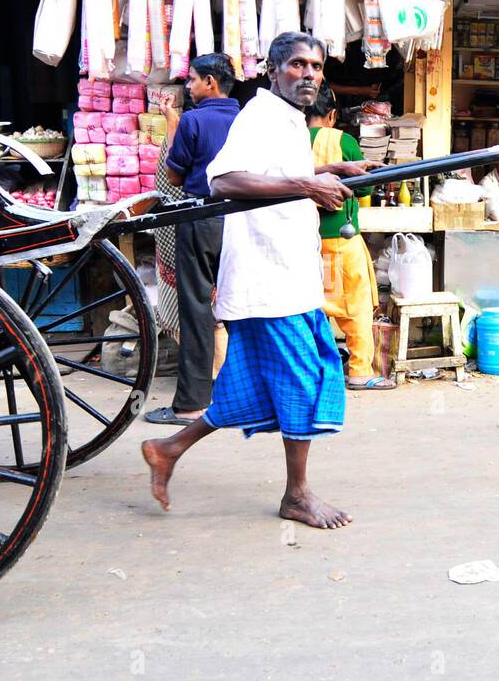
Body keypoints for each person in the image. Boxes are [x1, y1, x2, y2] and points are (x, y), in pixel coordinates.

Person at [141, 32, 367, 529]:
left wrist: (326, 170)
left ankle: (168, 447)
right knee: (306, 377)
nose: (310, 74)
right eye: (298, 65)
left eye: (317, 66)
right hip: (268, 280)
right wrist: (308, 183)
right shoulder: (260, 116)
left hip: (289, 275)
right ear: (272, 70)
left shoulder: (288, 120)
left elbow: (273, 176)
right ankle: (297, 495)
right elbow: (224, 180)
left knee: (251, 389)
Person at [143, 53, 241, 426]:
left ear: (211, 83)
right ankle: (246, 394)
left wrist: (173, 128)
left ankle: (191, 405)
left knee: (197, 311)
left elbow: (176, 176)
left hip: (201, 219)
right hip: (241, 219)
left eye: (194, 80)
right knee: (243, 307)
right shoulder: (246, 119)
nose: (189, 86)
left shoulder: (194, 121)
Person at [306, 86, 392, 390]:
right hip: (343, 241)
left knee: (311, 306)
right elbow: (366, 188)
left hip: (305, 242)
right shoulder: (344, 141)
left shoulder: (292, 141)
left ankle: (314, 369)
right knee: (355, 305)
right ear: (331, 115)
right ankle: (359, 370)